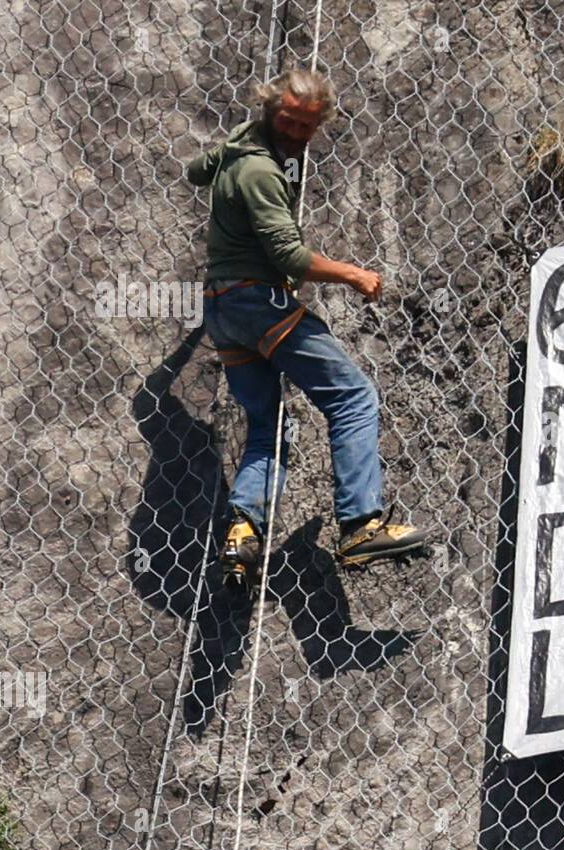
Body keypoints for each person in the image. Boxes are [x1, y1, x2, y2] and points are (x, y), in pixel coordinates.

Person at [186, 68, 425, 582]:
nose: (295, 135)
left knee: (268, 427)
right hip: (255, 301)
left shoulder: (240, 150)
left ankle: (244, 531)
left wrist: (231, 148)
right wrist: (353, 274)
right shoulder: (262, 173)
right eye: (289, 122)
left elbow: (195, 172)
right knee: (353, 396)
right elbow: (289, 255)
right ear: (271, 109)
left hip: (222, 311)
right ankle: (362, 524)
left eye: (306, 127)